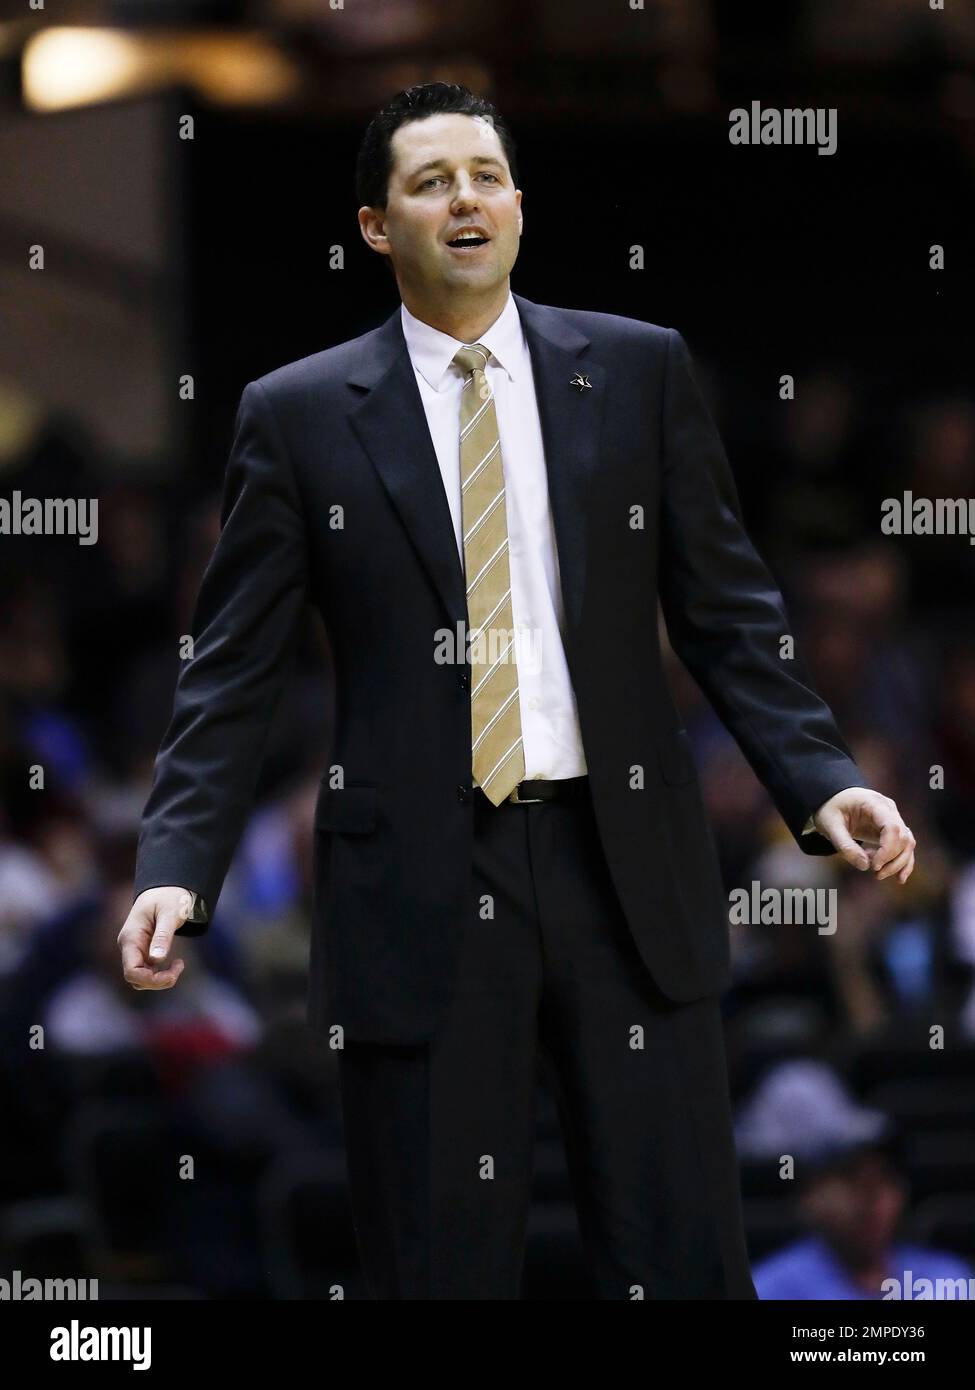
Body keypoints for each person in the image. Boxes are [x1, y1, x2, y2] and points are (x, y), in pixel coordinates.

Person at [119, 82, 916, 1299]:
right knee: (440, 1272)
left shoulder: (638, 370)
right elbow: (230, 667)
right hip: (422, 882)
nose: (465, 199)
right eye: (431, 181)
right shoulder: (295, 416)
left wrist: (821, 777)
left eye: (485, 175)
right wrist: (178, 862)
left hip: (626, 862)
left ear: (520, 206)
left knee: (684, 1260)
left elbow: (728, 611)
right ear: (377, 226)